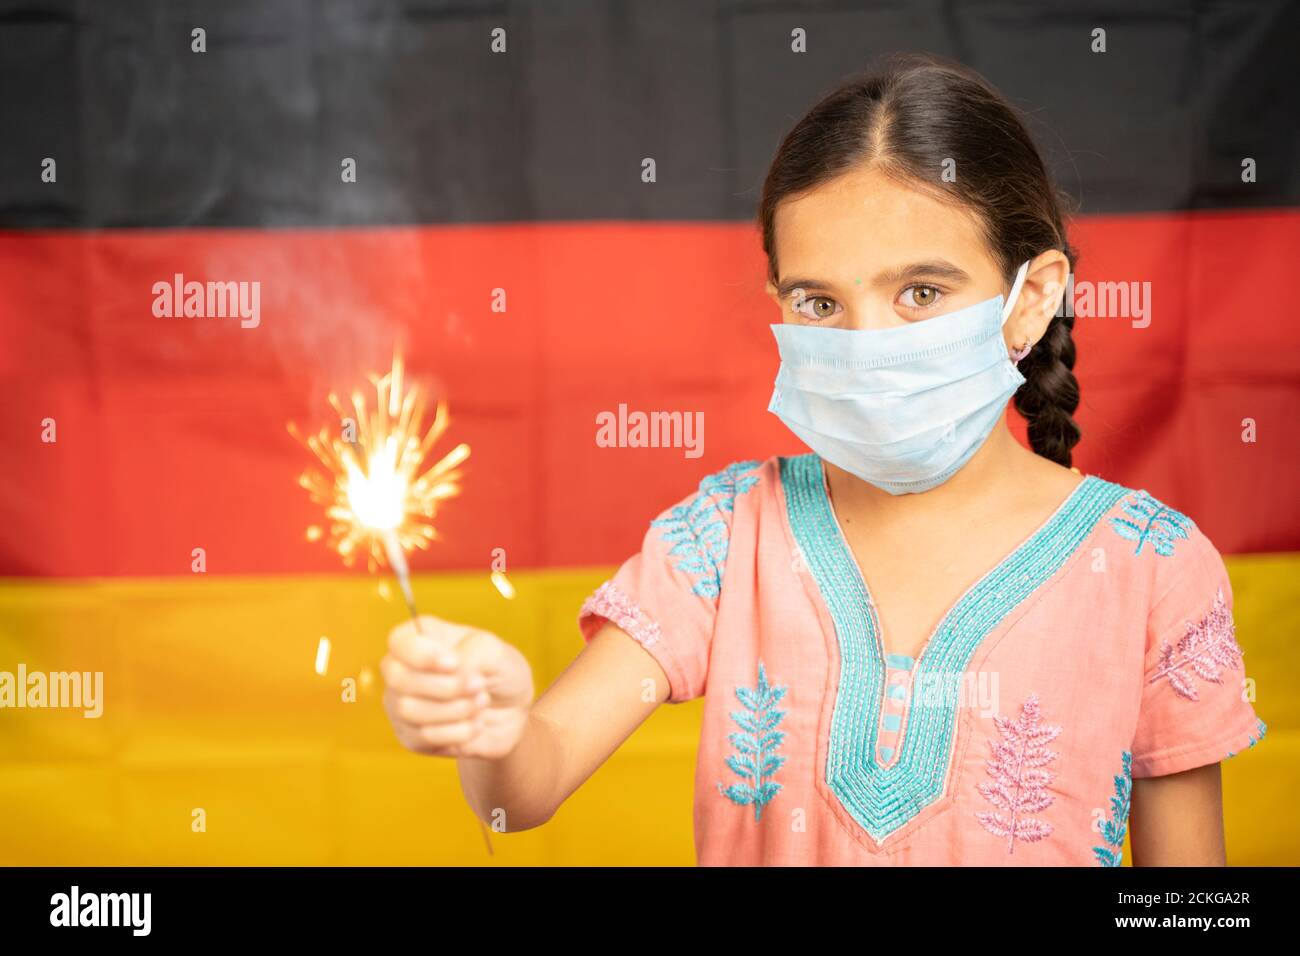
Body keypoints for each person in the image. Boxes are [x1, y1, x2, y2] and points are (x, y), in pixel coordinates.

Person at [380, 54, 1265, 866]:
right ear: (778, 305)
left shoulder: (1153, 568)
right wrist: (491, 735)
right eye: (819, 302)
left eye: (922, 291)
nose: (868, 344)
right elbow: (526, 791)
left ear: (1031, 298)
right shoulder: (725, 538)